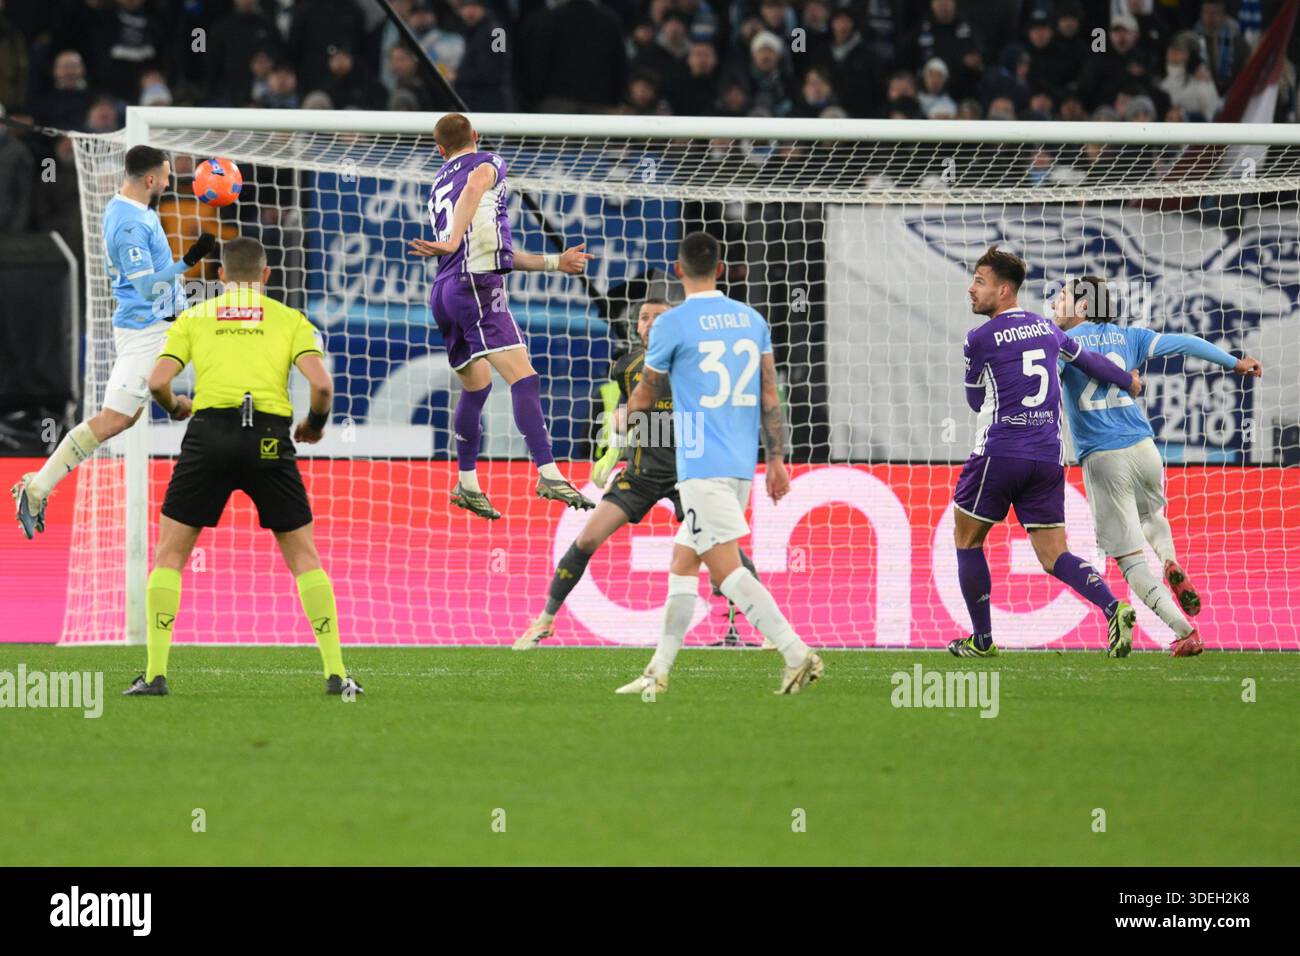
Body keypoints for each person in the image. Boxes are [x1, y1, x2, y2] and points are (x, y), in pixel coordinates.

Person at [123, 237, 360, 697]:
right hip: (269, 438)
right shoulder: (290, 320)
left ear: (220, 277)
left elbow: (157, 383)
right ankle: (336, 673)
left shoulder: (194, 318)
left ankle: (154, 675)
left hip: (208, 436)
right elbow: (323, 386)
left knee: (171, 554)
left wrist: (174, 407)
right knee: (304, 558)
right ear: (266, 276)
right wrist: (313, 424)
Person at [614, 232, 823, 695]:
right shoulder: (751, 319)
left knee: (726, 572)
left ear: (677, 270)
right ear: (722, 270)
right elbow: (771, 393)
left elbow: (647, 390)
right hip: (739, 464)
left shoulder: (672, 323)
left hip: (700, 467)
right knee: (682, 563)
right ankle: (658, 671)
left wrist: (623, 420)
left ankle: (794, 652)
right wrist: (776, 459)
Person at [514, 298, 762, 650]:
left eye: (658, 318)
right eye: (643, 318)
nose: (648, 323)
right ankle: (546, 620)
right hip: (640, 474)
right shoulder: (626, 366)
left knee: (721, 548)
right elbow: (623, 415)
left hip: (687, 478)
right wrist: (609, 455)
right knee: (586, 540)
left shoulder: (695, 364)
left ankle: (763, 628)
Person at [12, 145, 216, 538]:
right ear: (152, 179)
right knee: (114, 419)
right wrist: (189, 260)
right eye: (168, 173)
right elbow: (143, 286)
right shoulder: (128, 225)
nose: (173, 180)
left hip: (165, 321)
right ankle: (36, 488)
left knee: (129, 417)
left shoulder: (137, 210)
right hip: (146, 330)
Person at [1053, 276, 1262, 657]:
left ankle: (1185, 631)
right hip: (1145, 446)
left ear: (1083, 306)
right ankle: (1170, 560)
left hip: (1103, 457)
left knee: (1129, 560)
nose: (1055, 303)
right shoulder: (1129, 336)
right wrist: (1235, 362)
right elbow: (1185, 342)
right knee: (1152, 516)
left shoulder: (1062, 346)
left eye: (1063, 297)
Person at [950, 248, 1142, 659]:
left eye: (979, 281)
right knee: (1055, 555)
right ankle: (1114, 606)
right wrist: (1128, 381)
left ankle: (982, 640)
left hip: (999, 452)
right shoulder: (1047, 328)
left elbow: (973, 401)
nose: (971, 288)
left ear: (1003, 291)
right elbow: (1091, 362)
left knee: (967, 542)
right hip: (1048, 459)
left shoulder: (978, 339)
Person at [408, 113, 596, 519]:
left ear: (440, 150)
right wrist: (452, 239)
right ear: (476, 137)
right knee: (524, 378)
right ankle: (548, 471)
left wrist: (555, 263)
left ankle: (467, 481)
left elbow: (502, 256)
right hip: (476, 286)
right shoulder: (488, 163)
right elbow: (476, 189)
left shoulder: (439, 182)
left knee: (476, 389)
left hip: (444, 292)